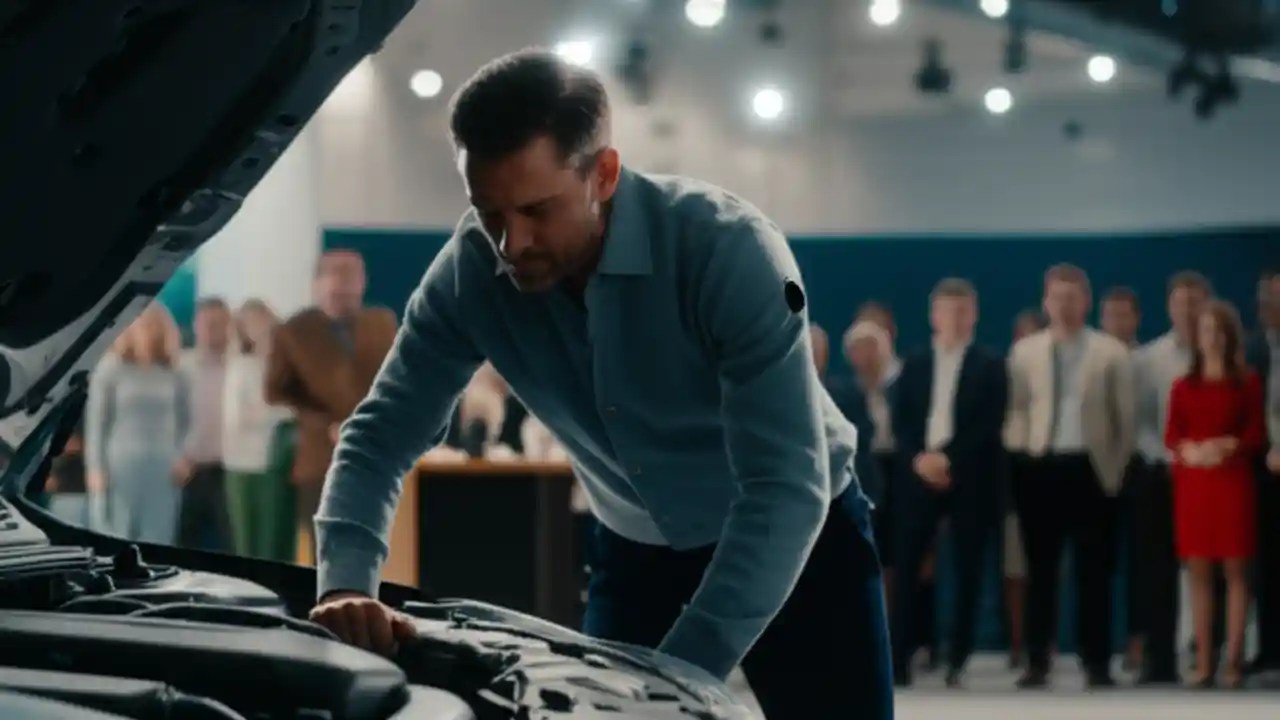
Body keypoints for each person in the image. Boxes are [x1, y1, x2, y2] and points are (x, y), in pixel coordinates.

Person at [307, 49, 892, 719]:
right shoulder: (469, 275)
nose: (510, 243)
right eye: (488, 211)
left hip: (801, 537)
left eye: (536, 209)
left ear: (604, 173)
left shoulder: (729, 250)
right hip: (636, 550)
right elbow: (378, 436)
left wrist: (673, 677)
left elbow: (785, 486)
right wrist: (345, 584)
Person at [1004, 263, 1135, 689]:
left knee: (1093, 571)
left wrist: (1113, 473)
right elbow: (1017, 409)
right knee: (1040, 571)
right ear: (1046, 301)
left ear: (1087, 301)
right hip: (1040, 465)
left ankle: (1096, 662)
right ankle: (1038, 660)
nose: (1064, 304)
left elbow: (1125, 419)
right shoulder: (1026, 351)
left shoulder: (1110, 351)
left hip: (1091, 468)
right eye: (1057, 296)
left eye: (1073, 296)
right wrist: (1022, 454)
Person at [890, 278, 1007, 688]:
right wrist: (920, 460)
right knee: (907, 569)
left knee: (968, 568)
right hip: (919, 475)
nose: (954, 319)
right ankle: (899, 658)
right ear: (933, 316)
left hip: (969, 478)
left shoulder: (990, 365)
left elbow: (989, 425)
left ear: (973, 315)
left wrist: (949, 458)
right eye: (946, 310)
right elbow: (901, 422)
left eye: (962, 311)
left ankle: (957, 658)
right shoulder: (915, 363)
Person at [265, 249, 399, 563]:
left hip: (376, 459)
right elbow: (276, 393)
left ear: (363, 283)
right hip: (319, 459)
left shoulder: (381, 323)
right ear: (317, 284)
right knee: (324, 552)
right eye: (335, 279)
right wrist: (323, 424)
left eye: (351, 279)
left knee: (373, 548)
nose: (344, 289)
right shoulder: (294, 330)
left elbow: (397, 380)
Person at [1165, 300, 1266, 689]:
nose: (1213, 338)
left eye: (1220, 330)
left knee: (1237, 573)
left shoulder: (1247, 382)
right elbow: (1172, 434)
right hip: (1194, 485)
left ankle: (1234, 661)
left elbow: (1256, 434)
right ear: (1198, 337)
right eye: (1206, 330)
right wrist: (1190, 450)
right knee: (1199, 574)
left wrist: (1227, 445)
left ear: (1230, 336)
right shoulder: (1183, 385)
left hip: (1233, 482)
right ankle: (1205, 662)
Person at [1131, 271, 1211, 684]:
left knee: (1210, 569)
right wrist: (1171, 456)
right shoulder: (1148, 358)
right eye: (1181, 303)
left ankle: (1208, 655)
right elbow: (1141, 422)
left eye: (1196, 303)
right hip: (1161, 473)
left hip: (1214, 477)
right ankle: (1159, 659)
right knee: (1157, 570)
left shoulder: (1224, 356)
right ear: (1168, 307)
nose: (1188, 311)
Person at [84, 303, 189, 544]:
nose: (147, 331)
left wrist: (183, 457)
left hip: (163, 466)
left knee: (159, 536)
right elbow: (97, 424)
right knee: (116, 533)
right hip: (120, 465)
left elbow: (187, 420)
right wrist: (95, 469)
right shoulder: (111, 368)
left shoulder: (175, 372)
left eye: (153, 326)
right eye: (141, 324)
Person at [223, 299, 295, 562]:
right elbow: (239, 418)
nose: (258, 329)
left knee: (277, 544)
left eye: (262, 321)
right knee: (249, 546)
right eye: (250, 323)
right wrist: (281, 411)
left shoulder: (285, 365)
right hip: (243, 464)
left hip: (277, 465)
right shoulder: (240, 366)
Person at [1004, 307, 1046, 670]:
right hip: (1014, 479)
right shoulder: (1005, 372)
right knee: (1016, 568)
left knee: (1045, 570)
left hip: (1047, 472)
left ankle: (1042, 647)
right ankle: (1020, 645)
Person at [176, 297, 233, 552]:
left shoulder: (240, 367)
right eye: (208, 323)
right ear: (196, 325)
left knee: (232, 546)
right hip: (188, 470)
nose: (213, 329)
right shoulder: (179, 366)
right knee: (183, 546)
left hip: (229, 471)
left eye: (220, 323)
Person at [1247, 268, 1280, 674]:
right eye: (1269, 299)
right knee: (1265, 563)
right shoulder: (1250, 350)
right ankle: (1269, 649)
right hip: (1257, 468)